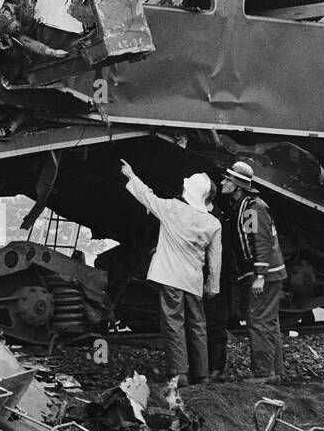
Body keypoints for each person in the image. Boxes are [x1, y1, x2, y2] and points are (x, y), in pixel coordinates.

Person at [120, 160, 221, 385]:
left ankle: (179, 373)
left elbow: (146, 196)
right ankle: (202, 374)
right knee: (198, 325)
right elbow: (215, 259)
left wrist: (131, 175)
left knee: (174, 322)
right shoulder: (213, 223)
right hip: (194, 280)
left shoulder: (171, 208)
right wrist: (213, 285)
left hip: (171, 277)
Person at [219, 160, 286, 383]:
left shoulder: (252, 208)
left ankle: (264, 373)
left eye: (227, 179)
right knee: (269, 322)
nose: (223, 182)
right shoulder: (245, 205)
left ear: (238, 185)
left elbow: (261, 241)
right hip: (268, 272)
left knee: (258, 320)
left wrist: (260, 275)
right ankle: (275, 372)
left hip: (266, 274)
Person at [202, 180, 231, 381]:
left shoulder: (217, 220)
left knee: (214, 324)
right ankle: (207, 367)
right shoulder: (216, 216)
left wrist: (213, 282)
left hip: (214, 278)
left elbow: (220, 256)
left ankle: (216, 368)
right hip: (204, 276)